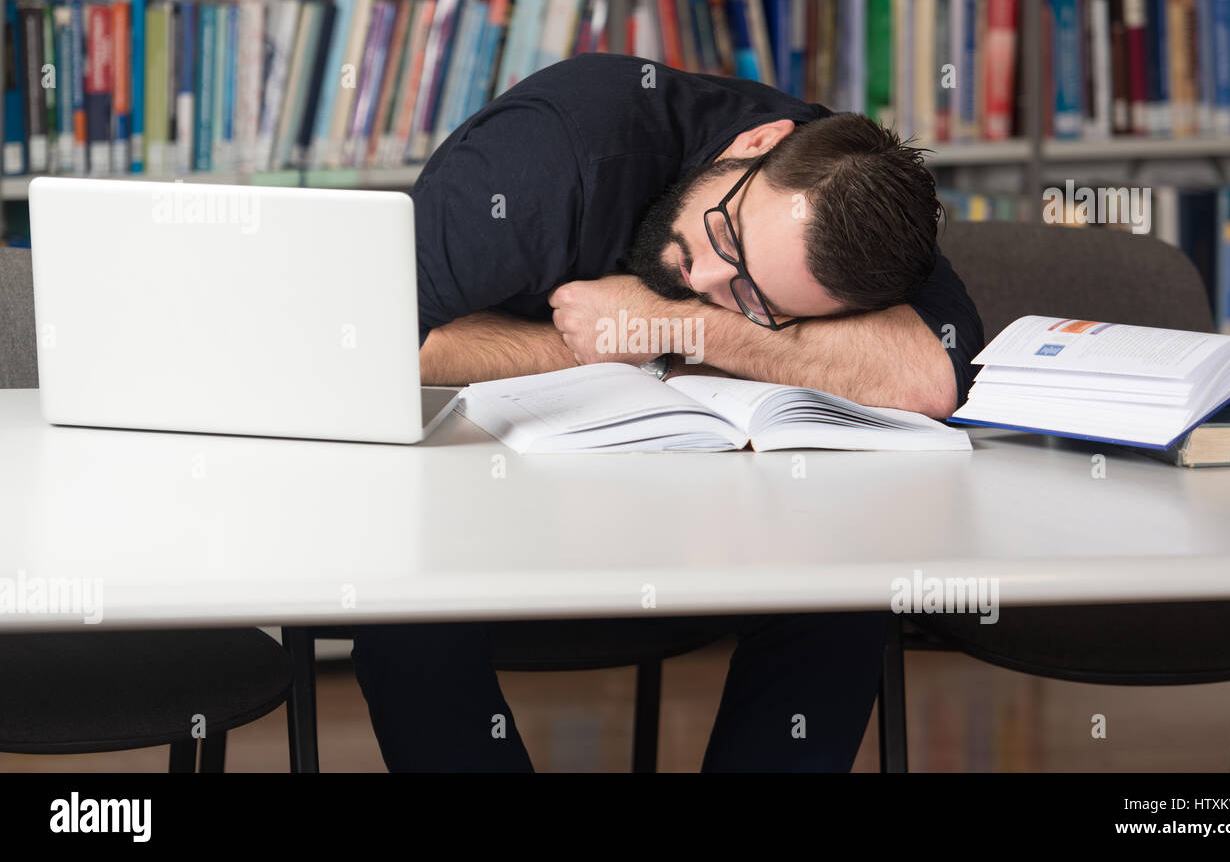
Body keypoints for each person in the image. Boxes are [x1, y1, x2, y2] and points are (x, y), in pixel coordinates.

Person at [352, 53, 984, 772]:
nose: (703, 277)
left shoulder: (856, 202)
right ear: (757, 143)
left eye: (756, 300)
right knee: (402, 615)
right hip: (483, 499)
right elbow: (370, 342)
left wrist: (676, 327)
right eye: (727, 236)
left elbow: (934, 372)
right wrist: (605, 350)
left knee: (842, 592)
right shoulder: (545, 160)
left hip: (700, 514)